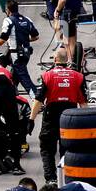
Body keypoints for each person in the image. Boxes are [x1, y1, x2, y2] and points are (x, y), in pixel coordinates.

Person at [31, 51, 87, 180]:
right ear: (67, 59)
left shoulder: (47, 76)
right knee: (67, 149)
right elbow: (83, 102)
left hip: (51, 114)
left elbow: (38, 100)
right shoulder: (78, 76)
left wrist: (31, 119)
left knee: (47, 149)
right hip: (70, 116)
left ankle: (51, 179)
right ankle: (67, 177)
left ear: (55, 59)